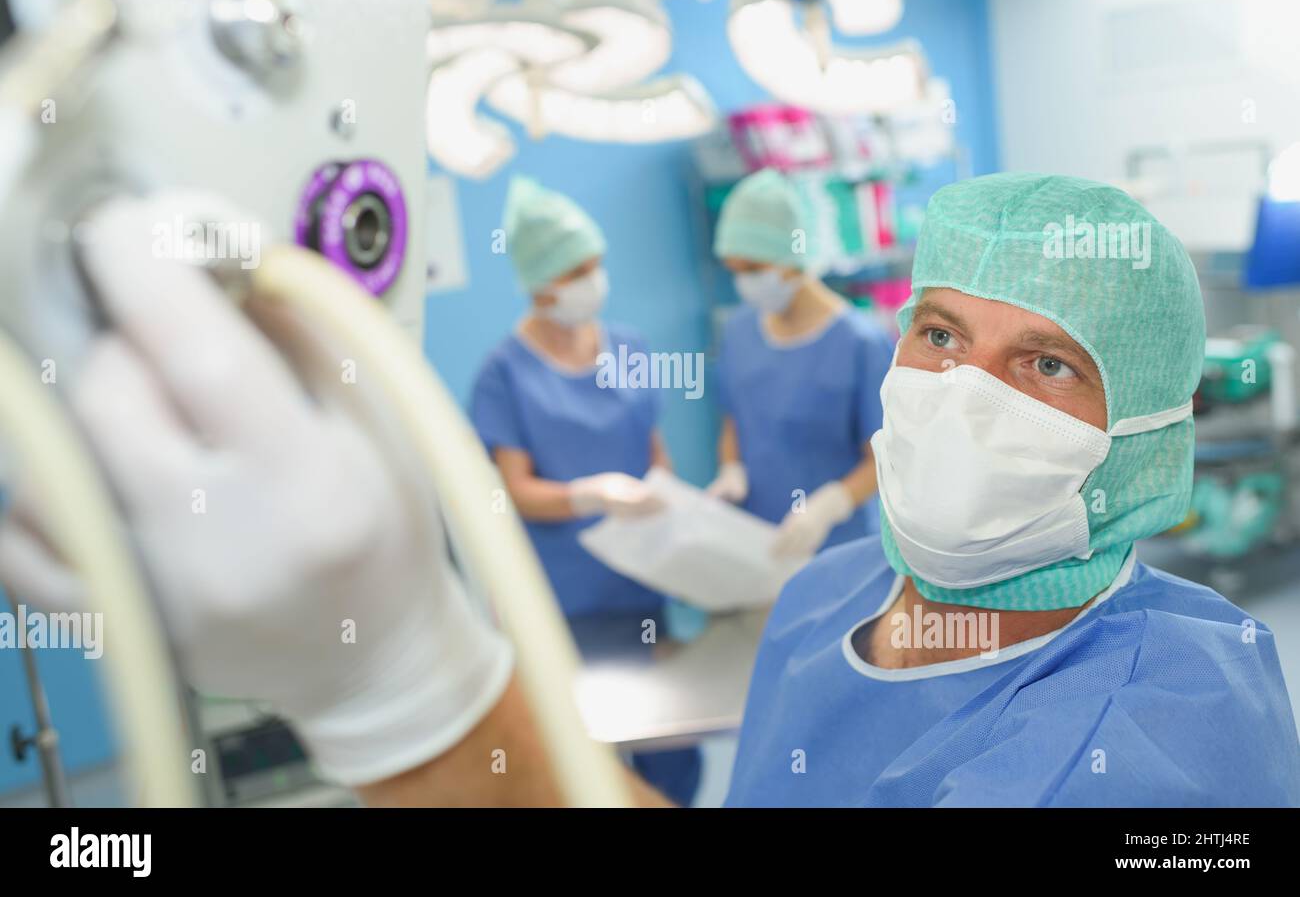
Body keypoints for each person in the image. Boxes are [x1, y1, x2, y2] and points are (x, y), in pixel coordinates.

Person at [5, 175, 1298, 807]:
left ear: (1141, 437)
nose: (966, 392)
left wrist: (419, 705)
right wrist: (421, 688)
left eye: (1048, 364)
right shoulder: (830, 600)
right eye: (942, 335)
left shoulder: (1176, 735)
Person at [467, 175, 699, 803]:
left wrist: (681, 508)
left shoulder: (628, 347)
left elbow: (655, 453)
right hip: (562, 600)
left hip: (638, 593)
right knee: (583, 759)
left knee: (670, 749)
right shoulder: (503, 373)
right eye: (576, 270)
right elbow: (514, 490)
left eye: (596, 265)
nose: (592, 280)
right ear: (540, 281)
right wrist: (592, 495)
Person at [707, 168, 894, 560]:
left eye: (754, 270)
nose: (744, 283)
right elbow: (733, 418)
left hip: (840, 546)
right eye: (735, 271)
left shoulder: (860, 342)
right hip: (759, 536)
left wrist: (830, 505)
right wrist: (731, 468)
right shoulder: (740, 331)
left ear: (792, 256)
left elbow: (886, 454)